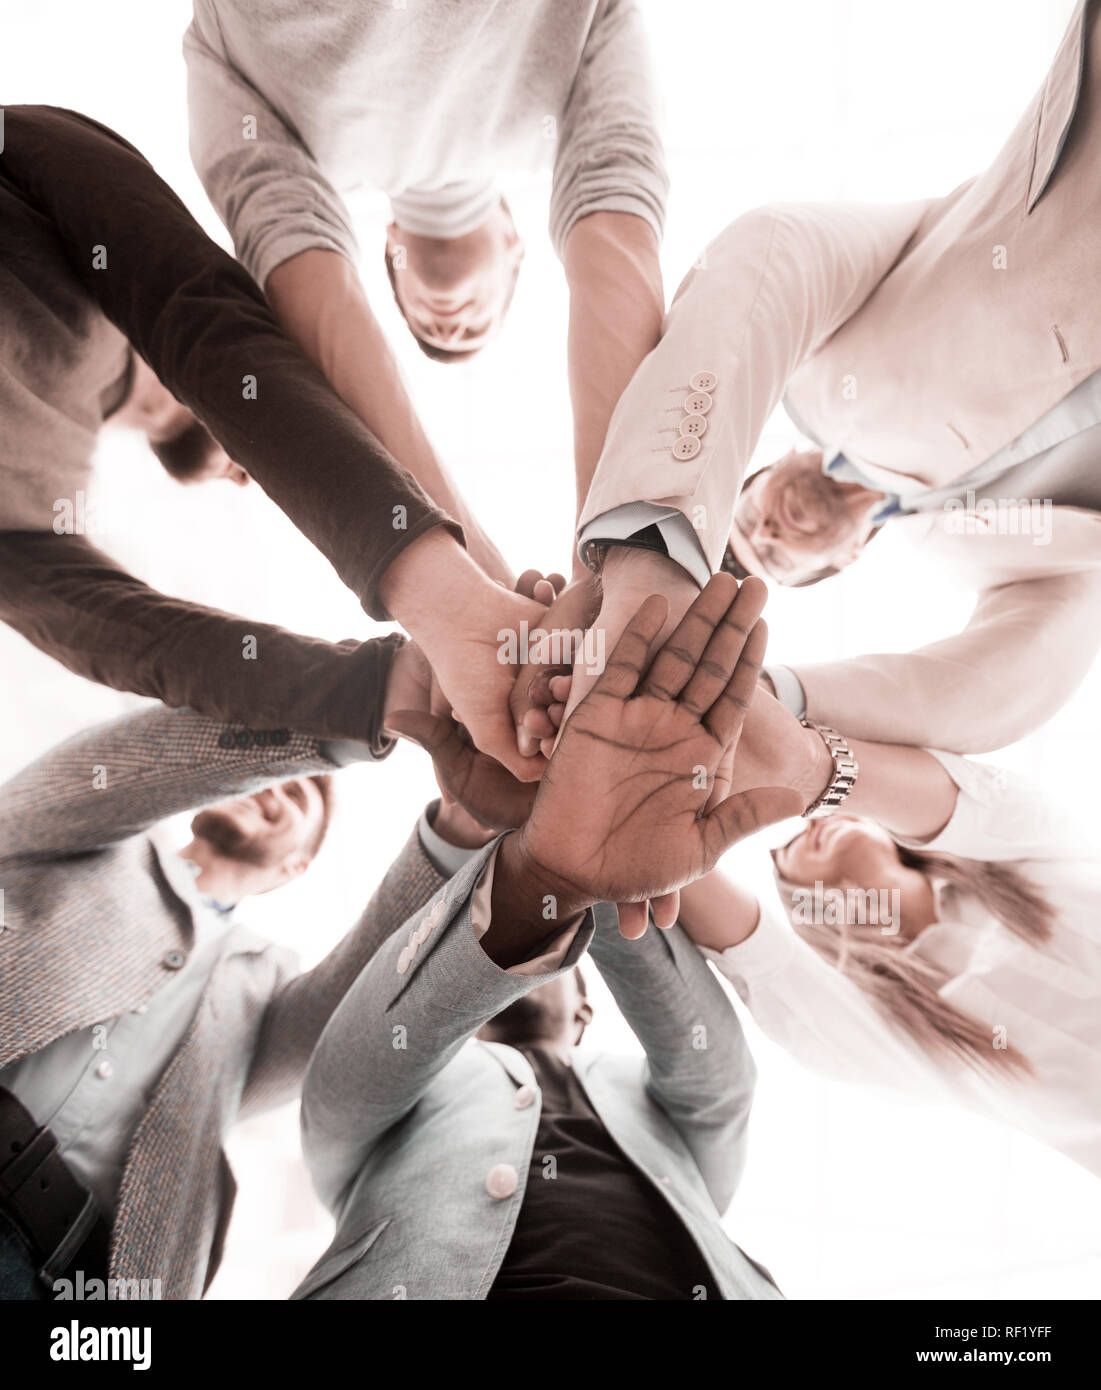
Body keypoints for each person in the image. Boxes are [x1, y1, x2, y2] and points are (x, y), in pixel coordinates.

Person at [556, 0, 1101, 755]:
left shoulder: (815, 369)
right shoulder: (993, 560)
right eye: (774, 556)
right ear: (844, 561)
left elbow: (769, 256)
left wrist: (651, 551)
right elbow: (1002, 689)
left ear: (772, 461)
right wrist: (767, 700)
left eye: (748, 516)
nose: (769, 529)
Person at [0, 104, 552, 776]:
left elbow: (121, 636)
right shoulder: (34, 152)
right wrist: (443, 594)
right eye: (317, 417)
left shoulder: (37, 516)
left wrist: (387, 687)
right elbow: (204, 326)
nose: (269, 467)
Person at [294, 575, 802, 1300]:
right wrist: (547, 873)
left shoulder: (646, 1098)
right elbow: (342, 1087)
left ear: (586, 1011)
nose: (527, 972)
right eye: (532, 957)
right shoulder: (422, 1081)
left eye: (552, 963)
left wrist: (578, 856)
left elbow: (716, 1079)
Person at [0, 630, 487, 1302]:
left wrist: (460, 828)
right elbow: (124, 764)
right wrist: (351, 715)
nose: (276, 786)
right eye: (269, 773)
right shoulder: (88, 842)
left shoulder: (263, 987)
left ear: (298, 866)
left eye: (302, 794)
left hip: (68, 1285)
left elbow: (360, 995)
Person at [184, 0, 668, 592]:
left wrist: (470, 578)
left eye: (426, 327)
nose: (447, 325)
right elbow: (616, 224)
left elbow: (301, 270)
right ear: (517, 246)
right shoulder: (558, 114)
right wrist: (611, 555)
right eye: (471, 328)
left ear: (390, 251)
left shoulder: (296, 151)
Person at [675, 688, 1101, 1181]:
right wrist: (664, 837)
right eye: (788, 852)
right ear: (810, 913)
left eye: (818, 813)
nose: (809, 827)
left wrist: (807, 769)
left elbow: (980, 805)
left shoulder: (1029, 866)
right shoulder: (907, 1030)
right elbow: (767, 965)